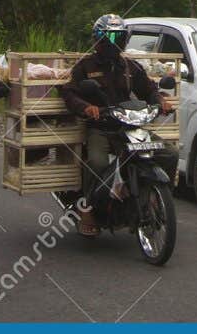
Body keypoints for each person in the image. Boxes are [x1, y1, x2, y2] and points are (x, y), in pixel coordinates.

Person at [60, 14, 174, 237]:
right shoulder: (85, 66)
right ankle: (88, 210)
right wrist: (86, 107)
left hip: (130, 126)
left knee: (169, 154)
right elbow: (69, 92)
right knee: (97, 162)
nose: (112, 41)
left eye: (118, 36)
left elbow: (148, 89)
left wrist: (160, 100)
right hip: (102, 127)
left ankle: (156, 198)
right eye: (107, 35)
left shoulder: (130, 67)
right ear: (97, 38)